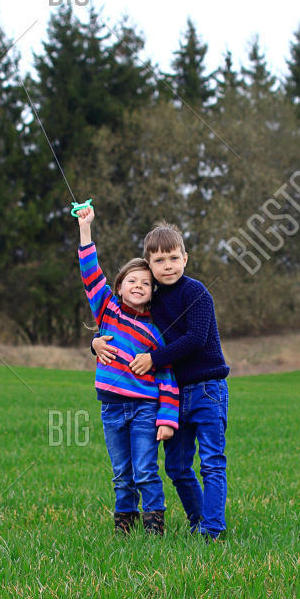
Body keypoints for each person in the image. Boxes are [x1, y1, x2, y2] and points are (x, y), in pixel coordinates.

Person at [94, 222, 230, 540]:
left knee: (211, 461)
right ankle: (197, 519)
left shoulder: (196, 292)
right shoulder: (152, 302)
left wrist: (155, 359)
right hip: (173, 394)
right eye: (158, 260)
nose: (167, 265)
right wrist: (95, 342)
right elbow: (127, 330)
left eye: (173, 258)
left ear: (185, 258)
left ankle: (212, 529)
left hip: (208, 388)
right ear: (149, 266)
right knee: (177, 466)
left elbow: (196, 338)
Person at [75, 206, 179, 535]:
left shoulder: (156, 331)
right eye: (131, 281)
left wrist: (167, 420)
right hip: (111, 407)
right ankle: (124, 527)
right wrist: (86, 228)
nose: (138, 286)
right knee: (121, 471)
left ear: (152, 293)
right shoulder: (107, 310)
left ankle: (154, 529)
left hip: (146, 408)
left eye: (145, 283)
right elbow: (90, 272)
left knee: (146, 468)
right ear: (119, 287)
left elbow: (166, 377)